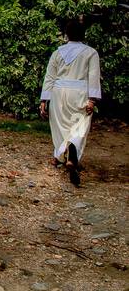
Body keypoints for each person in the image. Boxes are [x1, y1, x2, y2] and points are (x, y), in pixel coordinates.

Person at [40, 17, 101, 186]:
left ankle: (60, 156)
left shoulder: (57, 53)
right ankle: (72, 152)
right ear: (83, 34)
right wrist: (92, 100)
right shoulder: (91, 53)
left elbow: (50, 77)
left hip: (58, 92)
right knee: (79, 125)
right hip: (80, 92)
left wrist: (44, 100)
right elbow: (93, 76)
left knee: (61, 125)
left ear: (66, 34)